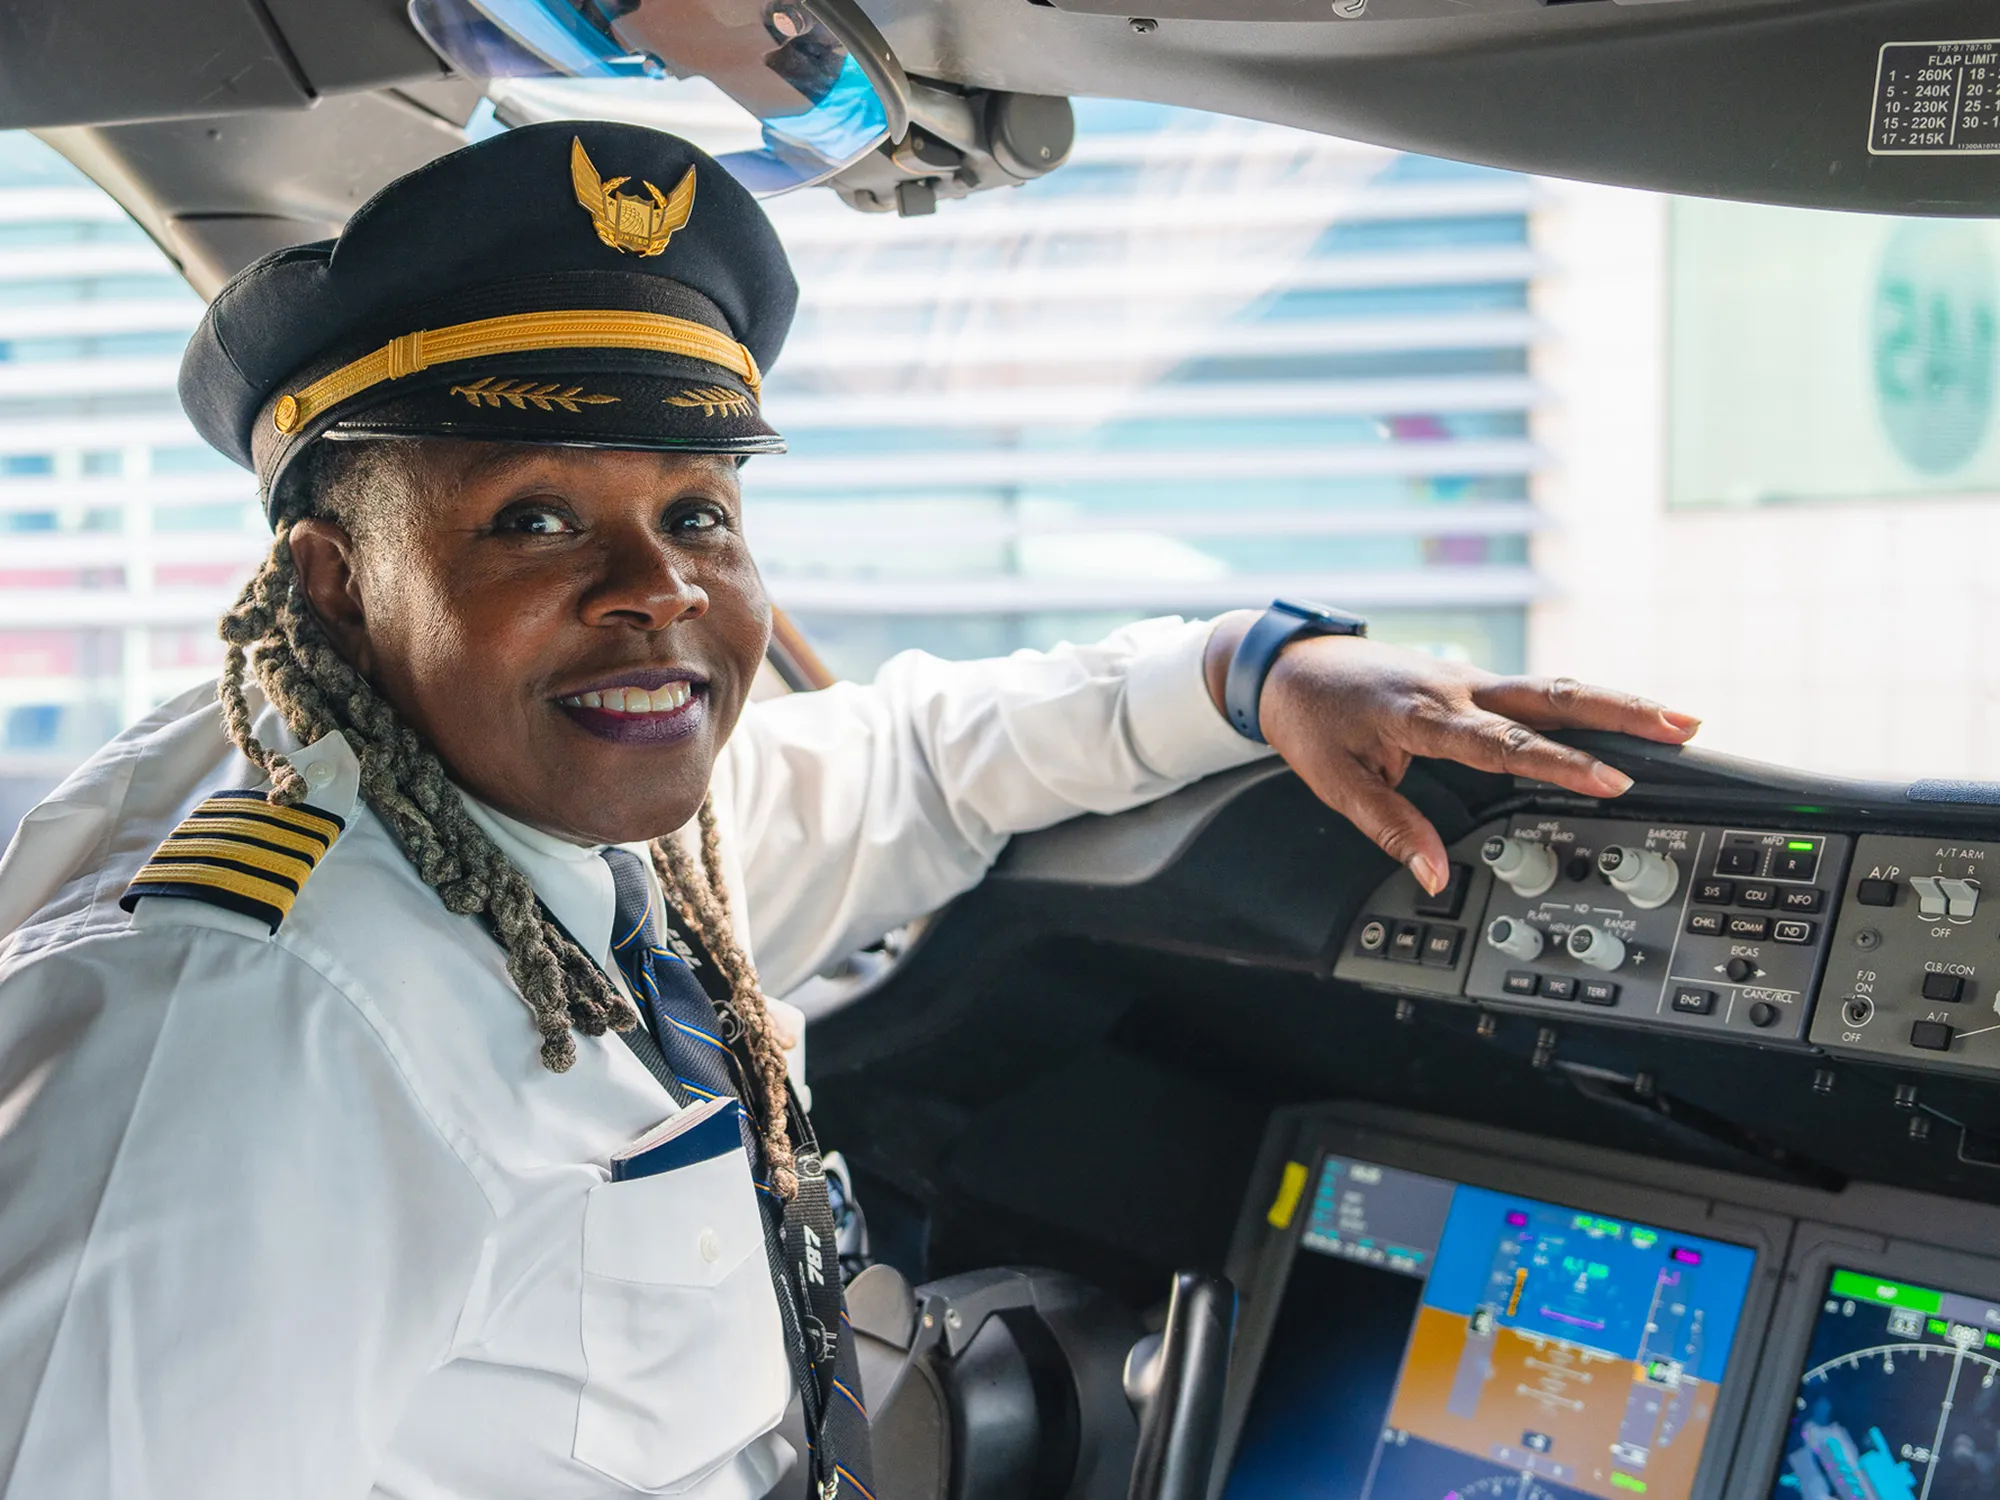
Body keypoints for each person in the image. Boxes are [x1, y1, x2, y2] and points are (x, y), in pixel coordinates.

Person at [0, 121, 1697, 1498]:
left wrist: (1256, 671)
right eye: (531, 519)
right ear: (337, 580)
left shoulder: (547, 813)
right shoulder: (256, 1023)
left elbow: (913, 764)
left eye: (697, 509)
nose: (653, 591)